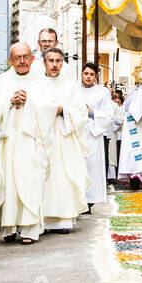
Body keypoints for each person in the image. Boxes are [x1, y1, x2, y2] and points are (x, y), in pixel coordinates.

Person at [0, 42, 52, 242]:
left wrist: (30, 102)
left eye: (26, 57)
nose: (22, 61)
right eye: (17, 58)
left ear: (32, 58)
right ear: (10, 60)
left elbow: (49, 109)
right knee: (7, 182)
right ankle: (8, 227)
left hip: (31, 141)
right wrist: (9, 102)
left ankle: (29, 228)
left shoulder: (43, 82)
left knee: (30, 182)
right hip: (7, 140)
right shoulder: (0, 81)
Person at [39, 45, 90, 233]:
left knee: (63, 177)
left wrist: (63, 111)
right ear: (44, 62)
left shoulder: (70, 86)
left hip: (63, 136)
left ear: (62, 63)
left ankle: (63, 220)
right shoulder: (37, 84)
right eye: (51, 61)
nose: (54, 65)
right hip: (42, 137)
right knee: (43, 177)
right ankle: (41, 220)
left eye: (58, 61)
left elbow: (81, 112)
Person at [80, 61, 120, 210]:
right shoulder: (74, 90)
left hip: (94, 133)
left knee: (92, 168)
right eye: (86, 74)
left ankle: (90, 201)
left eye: (91, 74)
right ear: (81, 75)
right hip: (77, 132)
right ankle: (78, 200)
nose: (88, 77)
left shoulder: (102, 92)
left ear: (96, 77)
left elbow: (108, 114)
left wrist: (92, 113)